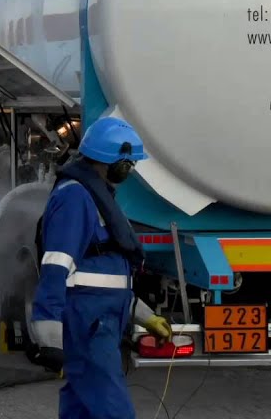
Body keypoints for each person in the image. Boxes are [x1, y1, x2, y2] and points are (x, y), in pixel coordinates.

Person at [29, 116, 173, 418]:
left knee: (80, 408)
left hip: (98, 321)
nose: (131, 170)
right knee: (112, 410)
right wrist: (50, 338)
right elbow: (56, 268)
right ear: (116, 163)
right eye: (129, 163)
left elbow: (104, 274)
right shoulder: (75, 198)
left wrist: (145, 316)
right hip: (89, 327)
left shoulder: (94, 195)